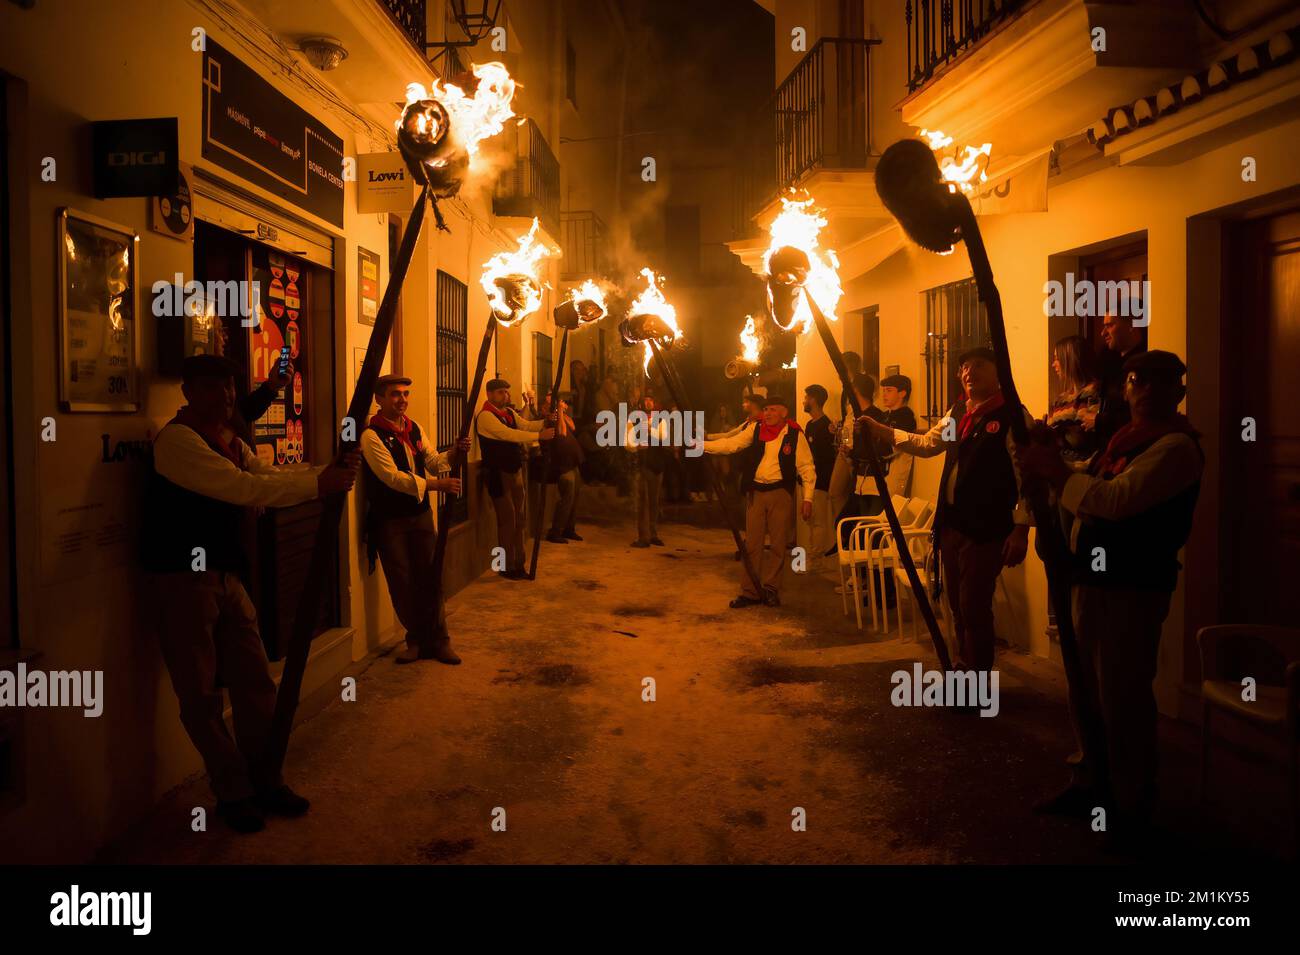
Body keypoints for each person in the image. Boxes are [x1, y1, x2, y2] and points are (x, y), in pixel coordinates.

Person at [142, 355, 361, 833]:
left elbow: (263, 477)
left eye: (228, 388)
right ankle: (233, 791)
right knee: (199, 694)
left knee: (255, 681)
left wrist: (324, 472)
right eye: (211, 388)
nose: (222, 397)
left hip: (227, 577)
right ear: (188, 393)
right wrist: (317, 484)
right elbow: (238, 488)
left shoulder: (232, 441)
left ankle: (266, 778)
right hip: (183, 579)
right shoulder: (178, 442)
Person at [1018, 351, 1202, 849]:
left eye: (1159, 384)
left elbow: (1113, 503)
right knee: (1084, 687)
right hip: (1090, 578)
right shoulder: (1122, 440)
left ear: (1178, 393)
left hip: (1133, 584)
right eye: (1137, 381)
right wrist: (1046, 469)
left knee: (1121, 697)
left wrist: (1056, 473)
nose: (1145, 391)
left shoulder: (1175, 447)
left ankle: (1129, 802)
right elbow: (1088, 488)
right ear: (1125, 388)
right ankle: (1090, 782)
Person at [861, 348, 1032, 674]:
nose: (970, 372)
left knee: (974, 606)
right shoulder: (959, 414)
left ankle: (976, 679)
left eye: (979, 366)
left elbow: (1028, 477)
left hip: (986, 528)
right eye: (965, 367)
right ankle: (962, 667)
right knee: (955, 604)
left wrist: (1021, 528)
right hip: (951, 526)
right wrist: (882, 431)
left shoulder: (1011, 416)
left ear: (999, 373)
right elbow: (927, 444)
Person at [361, 374, 468, 666]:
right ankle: (417, 639)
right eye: (395, 394)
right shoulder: (371, 437)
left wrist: (456, 452)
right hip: (389, 520)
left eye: (406, 394)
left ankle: (440, 639)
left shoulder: (415, 429)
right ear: (379, 399)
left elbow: (434, 461)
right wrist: (437, 486)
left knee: (431, 577)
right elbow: (392, 479)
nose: (402, 400)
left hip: (420, 515)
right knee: (403, 582)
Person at [704, 395, 815, 609]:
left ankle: (771, 588)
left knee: (777, 544)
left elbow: (807, 467)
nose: (768, 413)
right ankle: (750, 591)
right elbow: (731, 444)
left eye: (773, 409)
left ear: (783, 412)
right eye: (766, 409)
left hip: (780, 493)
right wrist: (702, 445)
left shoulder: (794, 434)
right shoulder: (755, 429)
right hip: (756, 491)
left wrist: (808, 498)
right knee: (752, 544)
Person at [476, 378, 554, 579]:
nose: (506, 396)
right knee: (507, 521)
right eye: (501, 392)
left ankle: (518, 563)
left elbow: (526, 426)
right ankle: (503, 565)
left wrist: (545, 421)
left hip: (515, 470)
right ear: (490, 394)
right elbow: (510, 435)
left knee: (519, 518)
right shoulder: (485, 417)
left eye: (506, 392)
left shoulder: (509, 413)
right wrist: (540, 436)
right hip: (497, 474)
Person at [529, 391, 584, 544]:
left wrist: (561, 411)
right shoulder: (545, 421)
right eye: (549, 405)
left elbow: (571, 426)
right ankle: (555, 531)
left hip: (572, 462)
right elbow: (562, 432)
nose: (554, 407)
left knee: (574, 498)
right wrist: (559, 411)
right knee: (566, 498)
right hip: (561, 466)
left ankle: (569, 529)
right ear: (543, 409)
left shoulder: (559, 416)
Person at [1047, 335, 1104, 471]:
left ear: (1070, 359)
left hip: (1082, 469)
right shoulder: (1059, 400)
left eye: (1057, 359)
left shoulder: (1093, 392)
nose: (1053, 364)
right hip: (1059, 466)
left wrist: (1056, 432)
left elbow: (1079, 438)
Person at [1097, 311, 1147, 439]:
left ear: (1131, 324)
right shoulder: (1108, 363)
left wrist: (1099, 421)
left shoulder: (1145, 366)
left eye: (1110, 325)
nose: (1103, 333)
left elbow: (1139, 416)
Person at [628, 394, 669, 548]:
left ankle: (653, 534)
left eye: (651, 399)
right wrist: (636, 446)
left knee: (654, 502)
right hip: (643, 465)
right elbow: (627, 441)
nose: (648, 402)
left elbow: (663, 436)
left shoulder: (660, 419)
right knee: (643, 502)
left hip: (657, 465)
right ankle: (643, 537)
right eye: (645, 400)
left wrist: (649, 427)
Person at [802, 384, 836, 559]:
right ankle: (810, 555)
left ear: (813, 399)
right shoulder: (809, 424)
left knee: (818, 521)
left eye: (806, 397)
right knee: (810, 520)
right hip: (808, 481)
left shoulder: (826, 425)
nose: (804, 401)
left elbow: (827, 457)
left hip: (820, 482)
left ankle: (815, 559)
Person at [878, 373, 918, 498]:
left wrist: (874, 452)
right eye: (883, 391)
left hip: (894, 474)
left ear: (902, 393)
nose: (884, 395)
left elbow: (894, 446)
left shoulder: (906, 416)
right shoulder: (884, 415)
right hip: (879, 474)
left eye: (889, 391)